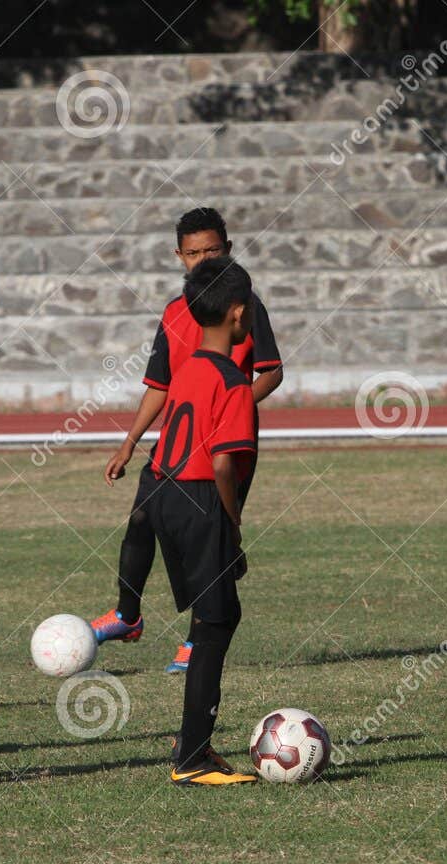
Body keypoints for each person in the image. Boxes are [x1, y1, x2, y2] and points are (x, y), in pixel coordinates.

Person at [92, 206, 282, 673]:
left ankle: (198, 639)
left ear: (228, 250)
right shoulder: (176, 312)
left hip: (224, 444)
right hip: (176, 444)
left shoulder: (244, 305)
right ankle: (127, 614)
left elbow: (272, 372)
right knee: (142, 517)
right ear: (179, 256)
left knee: (209, 540)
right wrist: (129, 442)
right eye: (193, 253)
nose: (202, 260)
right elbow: (159, 385)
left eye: (211, 251)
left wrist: (233, 406)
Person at [146, 256, 261, 786]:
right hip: (197, 498)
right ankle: (191, 757)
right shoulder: (234, 381)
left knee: (213, 618)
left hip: (163, 495)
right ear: (238, 314)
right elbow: (221, 462)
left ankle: (196, 744)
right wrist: (232, 523)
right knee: (215, 623)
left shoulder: (190, 366)